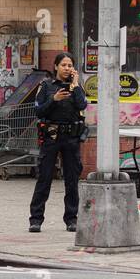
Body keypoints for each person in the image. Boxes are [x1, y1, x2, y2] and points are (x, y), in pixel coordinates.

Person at [29, 53, 87, 233]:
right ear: (56, 67)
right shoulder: (46, 86)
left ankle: (71, 219)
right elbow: (39, 111)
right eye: (64, 65)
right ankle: (36, 219)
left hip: (71, 138)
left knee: (71, 180)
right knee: (44, 178)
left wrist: (76, 85)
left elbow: (82, 105)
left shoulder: (76, 87)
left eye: (70, 65)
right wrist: (54, 100)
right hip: (51, 137)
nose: (67, 68)